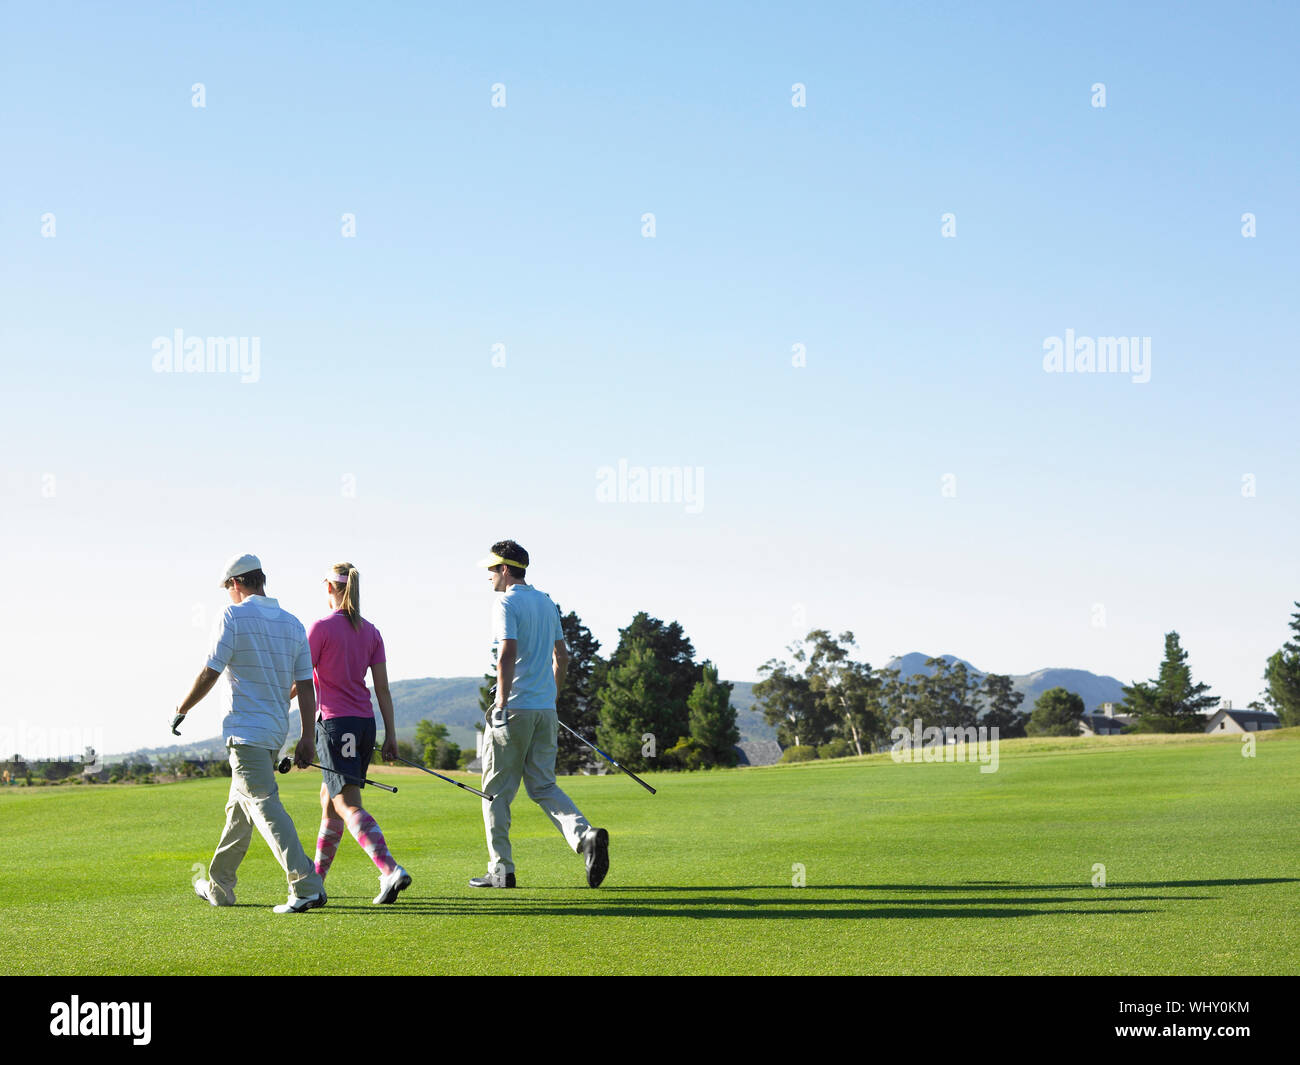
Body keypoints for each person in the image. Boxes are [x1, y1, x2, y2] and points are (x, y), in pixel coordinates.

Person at [171, 553, 326, 913]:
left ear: (236, 583)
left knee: (263, 804)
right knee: (238, 811)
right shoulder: (293, 623)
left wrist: (182, 708)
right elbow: (305, 686)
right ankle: (220, 887)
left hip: (245, 733)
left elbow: (211, 671)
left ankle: (305, 885)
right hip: (272, 733)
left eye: (227, 588)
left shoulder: (232, 615)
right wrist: (305, 737)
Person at [472, 540, 609, 888]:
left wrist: (501, 701)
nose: (488, 576)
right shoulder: (547, 602)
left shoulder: (505, 602)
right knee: (543, 785)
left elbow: (506, 654)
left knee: (495, 792)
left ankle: (501, 870)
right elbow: (561, 657)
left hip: (513, 708)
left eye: (491, 569)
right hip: (544, 710)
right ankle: (585, 836)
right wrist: (551, 696)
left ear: (505, 569)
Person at [300, 562, 410, 905]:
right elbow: (383, 690)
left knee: (346, 803)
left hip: (335, 725)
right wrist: (391, 734)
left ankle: (390, 868)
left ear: (330, 588)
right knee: (329, 802)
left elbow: (303, 679)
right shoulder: (371, 631)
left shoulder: (320, 628)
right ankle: (316, 882)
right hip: (365, 725)